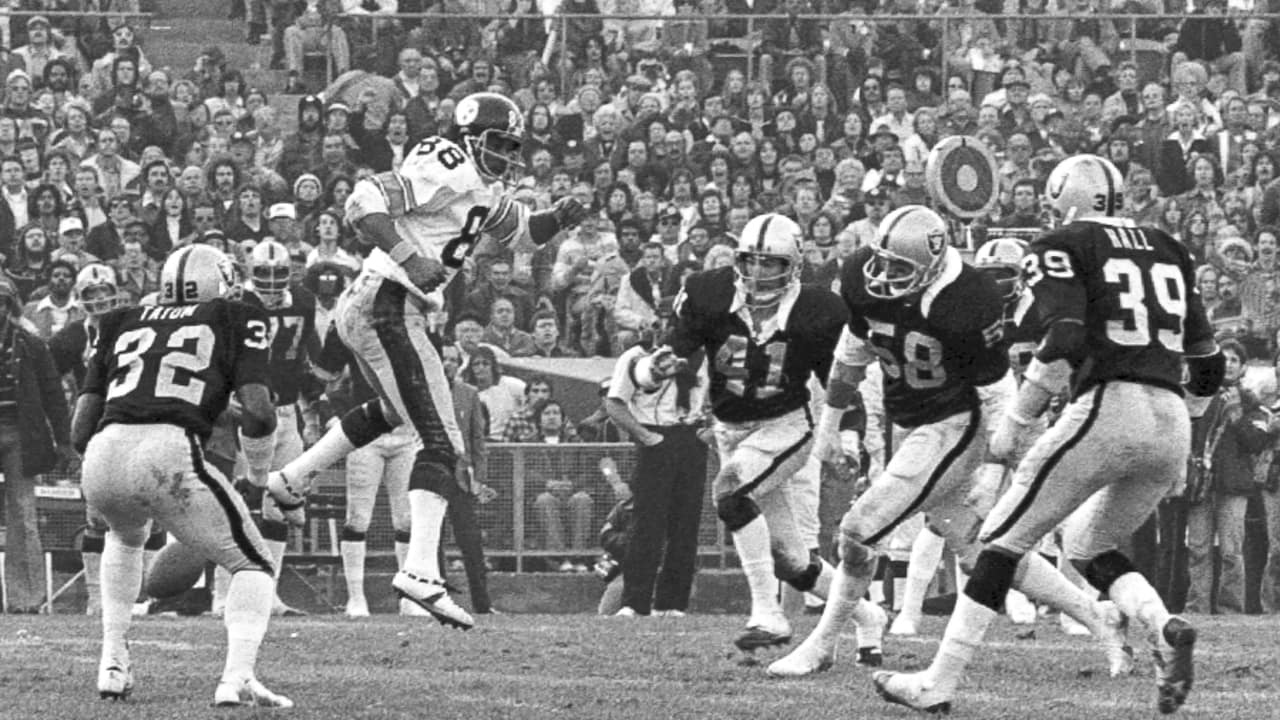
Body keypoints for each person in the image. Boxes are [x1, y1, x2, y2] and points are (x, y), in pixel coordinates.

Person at [873, 156, 1223, 716]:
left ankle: (938, 680)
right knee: (1088, 545)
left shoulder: (1063, 243)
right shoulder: (1168, 246)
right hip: (1173, 418)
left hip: (1110, 402)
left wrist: (1012, 429)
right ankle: (1161, 628)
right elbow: (1209, 363)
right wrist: (1191, 426)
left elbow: (1062, 337)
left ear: (1066, 198)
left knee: (999, 542)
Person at [265, 93, 588, 629]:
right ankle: (420, 573)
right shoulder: (449, 161)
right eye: (499, 143)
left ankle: (291, 479)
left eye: (513, 145)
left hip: (387, 305)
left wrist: (561, 218)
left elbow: (523, 233)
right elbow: (363, 201)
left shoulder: (483, 184)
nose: (507, 154)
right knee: (442, 442)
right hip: (389, 302)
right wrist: (410, 257)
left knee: (397, 414)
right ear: (469, 136)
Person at [70, 245, 298, 707]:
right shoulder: (237, 315)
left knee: (125, 536)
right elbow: (259, 411)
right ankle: (237, 678)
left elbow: (79, 429)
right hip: (168, 448)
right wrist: (257, 473)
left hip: (103, 451)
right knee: (253, 562)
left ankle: (113, 661)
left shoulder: (118, 319)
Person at [633, 213, 860, 650]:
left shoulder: (818, 310)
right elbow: (670, 352)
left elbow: (840, 383)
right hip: (731, 428)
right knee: (793, 561)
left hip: (786, 426)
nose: (757, 273)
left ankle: (766, 613)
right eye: (750, 261)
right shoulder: (709, 291)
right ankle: (868, 616)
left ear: (791, 264)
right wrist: (651, 369)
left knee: (731, 492)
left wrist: (846, 435)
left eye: (769, 263)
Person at [605, 327, 708, 617]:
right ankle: (634, 602)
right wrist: (645, 436)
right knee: (647, 524)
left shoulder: (706, 356)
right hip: (656, 438)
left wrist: (709, 431)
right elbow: (614, 403)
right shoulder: (637, 357)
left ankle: (672, 603)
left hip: (691, 437)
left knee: (686, 526)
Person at [0, 275, 72, 613]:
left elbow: (54, 396)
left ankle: (26, 599)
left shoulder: (30, 343)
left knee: (23, 515)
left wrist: (64, 442)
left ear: (11, 306)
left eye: (2, 302)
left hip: (19, 433)